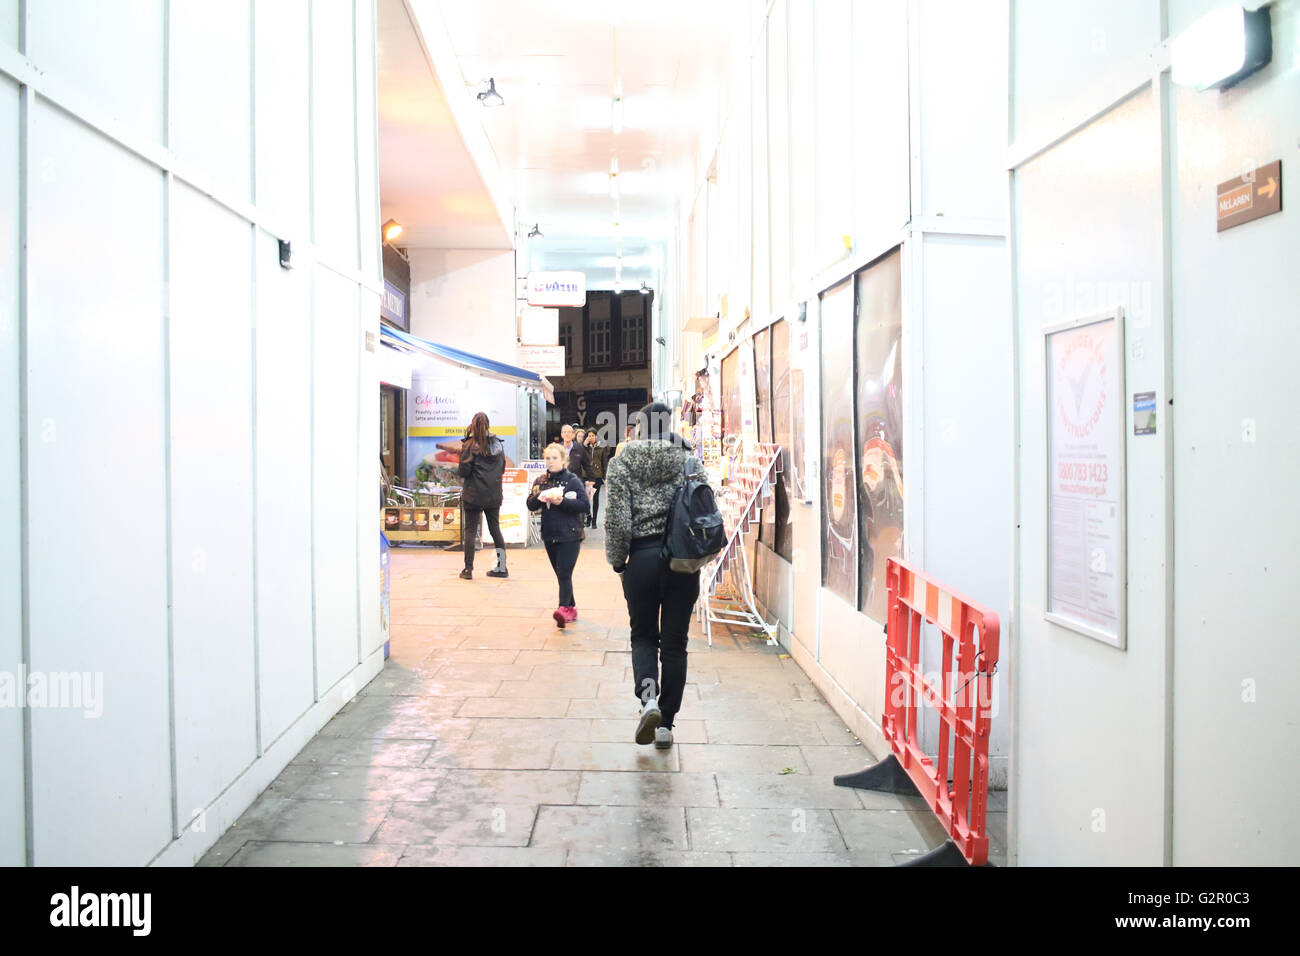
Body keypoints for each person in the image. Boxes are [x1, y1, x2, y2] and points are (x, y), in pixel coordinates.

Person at [604, 402, 699, 750]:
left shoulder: (623, 462)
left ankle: (649, 701)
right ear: (669, 424)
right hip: (682, 563)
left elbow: (616, 518)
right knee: (675, 645)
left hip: (641, 559)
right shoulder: (688, 459)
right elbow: (703, 505)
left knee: (643, 637)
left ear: (641, 427)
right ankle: (666, 726)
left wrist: (618, 561)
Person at [526, 442, 589, 628]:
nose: (551, 462)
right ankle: (572, 607)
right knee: (561, 574)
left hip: (570, 535)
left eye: (555, 458)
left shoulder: (573, 481)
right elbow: (530, 505)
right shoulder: (541, 481)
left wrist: (561, 502)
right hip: (549, 534)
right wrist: (539, 496)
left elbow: (584, 505)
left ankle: (562, 609)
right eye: (548, 458)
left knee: (564, 573)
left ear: (564, 460)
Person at [456, 412, 508, 580]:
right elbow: (502, 469)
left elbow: (463, 471)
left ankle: (468, 569)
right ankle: (501, 567)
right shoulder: (498, 445)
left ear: (473, 425)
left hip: (473, 495)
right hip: (493, 495)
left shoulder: (469, 445)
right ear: (488, 425)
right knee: (495, 530)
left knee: (471, 531)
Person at [584, 429, 611, 528]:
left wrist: (605, 475)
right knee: (586, 498)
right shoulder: (584, 447)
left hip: (597, 476)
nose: (590, 437)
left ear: (596, 436)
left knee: (595, 498)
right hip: (586, 475)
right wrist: (584, 445)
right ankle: (588, 517)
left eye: (592, 435)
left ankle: (594, 521)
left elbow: (604, 461)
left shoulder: (601, 447)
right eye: (589, 435)